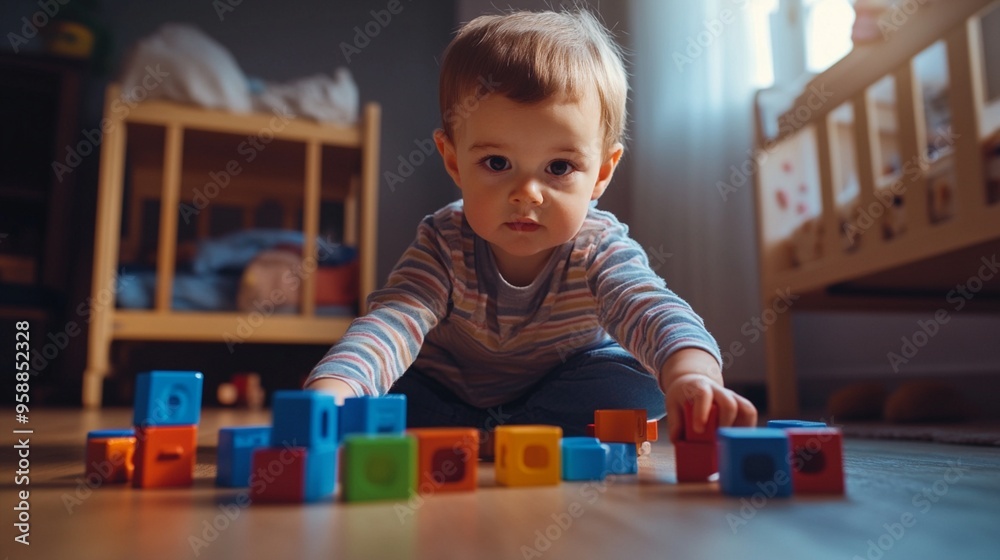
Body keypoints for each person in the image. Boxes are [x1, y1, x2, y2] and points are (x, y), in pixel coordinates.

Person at [306, 9, 757, 443]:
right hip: (446, 396)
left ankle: (499, 431)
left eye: (559, 167)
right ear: (453, 161)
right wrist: (334, 393)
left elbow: (651, 309)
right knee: (389, 381)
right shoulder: (443, 241)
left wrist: (692, 377)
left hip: (556, 392)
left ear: (601, 172)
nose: (528, 194)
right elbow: (392, 323)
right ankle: (494, 430)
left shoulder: (597, 246)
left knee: (643, 380)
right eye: (497, 163)